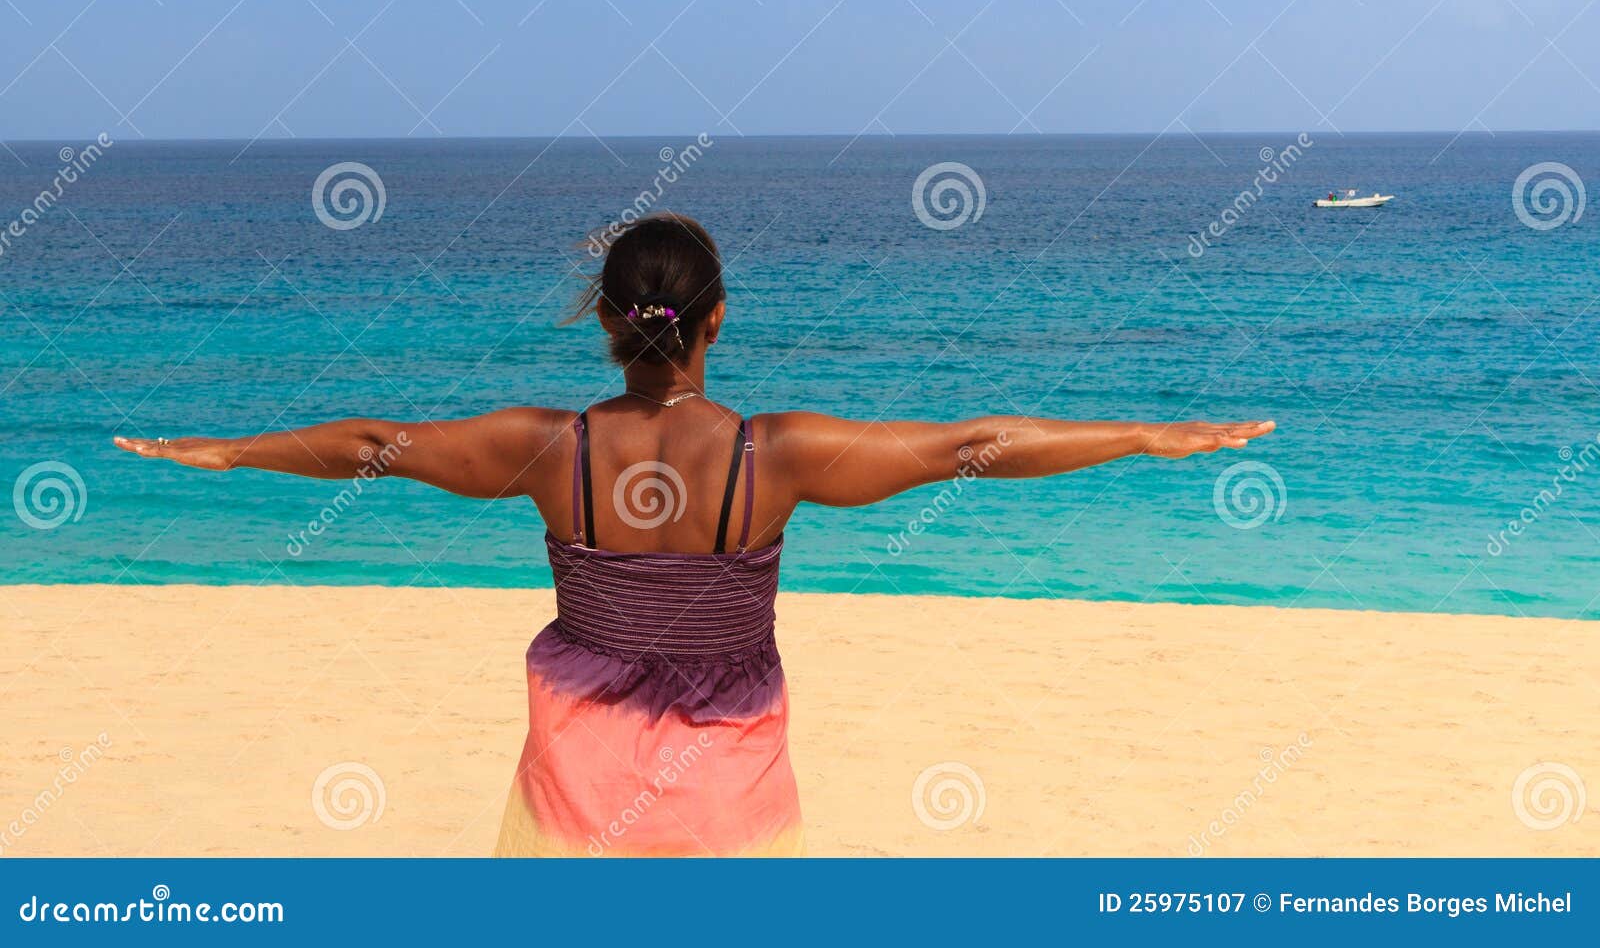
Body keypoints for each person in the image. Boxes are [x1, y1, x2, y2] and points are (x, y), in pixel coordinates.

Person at [114, 213, 1274, 856]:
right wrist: (1139, 433)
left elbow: (373, 441)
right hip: (729, 796)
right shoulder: (779, 452)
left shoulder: (541, 443)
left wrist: (227, 448)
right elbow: (970, 442)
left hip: (573, 790)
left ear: (611, 326)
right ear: (716, 318)